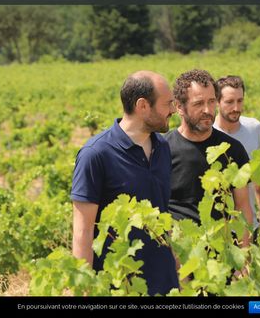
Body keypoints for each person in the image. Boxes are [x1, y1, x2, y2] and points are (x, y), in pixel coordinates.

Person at [71, 70, 179, 295]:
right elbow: (83, 232)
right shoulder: (96, 154)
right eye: (167, 103)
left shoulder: (163, 147)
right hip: (119, 285)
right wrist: (84, 292)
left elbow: (162, 213)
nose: (173, 110)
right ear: (142, 106)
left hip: (165, 284)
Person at [165, 69, 253, 246]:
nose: (207, 110)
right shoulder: (162, 149)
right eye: (198, 104)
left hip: (222, 253)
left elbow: (243, 207)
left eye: (212, 101)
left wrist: (244, 256)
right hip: (177, 253)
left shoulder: (232, 150)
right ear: (179, 107)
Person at [214, 76, 260, 234]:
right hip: (220, 228)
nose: (236, 107)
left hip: (250, 223)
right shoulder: (208, 134)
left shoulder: (254, 128)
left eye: (240, 101)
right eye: (229, 102)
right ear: (217, 102)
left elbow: (259, 175)